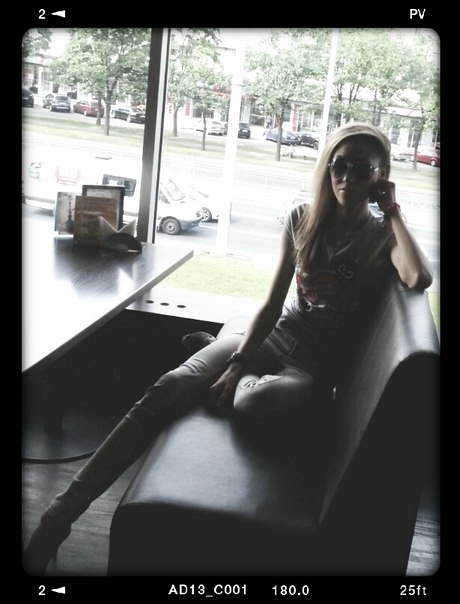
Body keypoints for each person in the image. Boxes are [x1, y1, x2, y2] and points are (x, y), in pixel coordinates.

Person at [23, 122, 433, 575]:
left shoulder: (382, 235)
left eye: (362, 169)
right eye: (339, 166)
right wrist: (237, 363)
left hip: (312, 368)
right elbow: (273, 303)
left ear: (381, 175)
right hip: (275, 335)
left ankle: (214, 349)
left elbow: (418, 277)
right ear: (327, 168)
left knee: (251, 401)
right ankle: (57, 518)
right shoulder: (302, 217)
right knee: (169, 386)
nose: (347, 178)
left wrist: (392, 210)